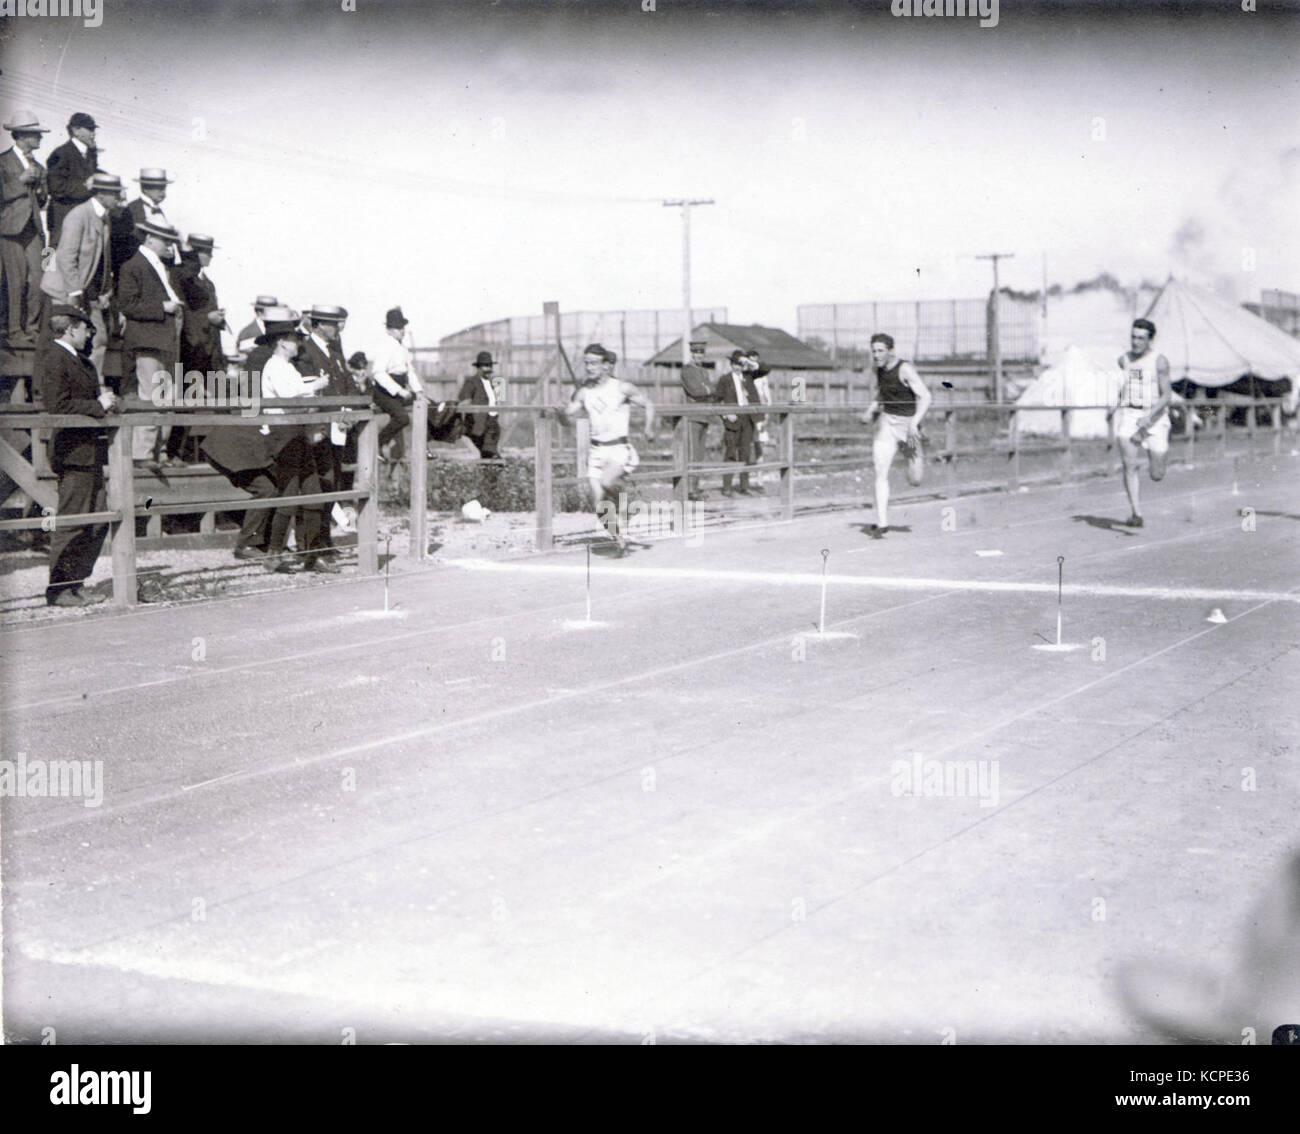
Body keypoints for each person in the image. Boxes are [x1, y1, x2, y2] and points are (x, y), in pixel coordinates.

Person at [38, 305, 117, 606]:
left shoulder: (81, 361)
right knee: (72, 521)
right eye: (86, 329)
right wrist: (98, 404)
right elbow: (58, 405)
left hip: (89, 451)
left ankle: (75, 582)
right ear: (70, 329)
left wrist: (105, 403)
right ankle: (58, 590)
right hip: (72, 453)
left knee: (97, 520)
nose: (90, 335)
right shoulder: (55, 359)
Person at [258, 308, 334, 573]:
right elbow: (289, 394)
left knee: (312, 492)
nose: (298, 343)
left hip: (296, 434)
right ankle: (274, 553)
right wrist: (315, 386)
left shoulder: (287, 366)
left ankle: (312, 553)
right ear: (282, 342)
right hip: (284, 436)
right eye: (294, 339)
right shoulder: (274, 366)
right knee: (289, 495)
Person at [564, 343, 654, 555]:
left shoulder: (622, 388)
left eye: (594, 363)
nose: (589, 367)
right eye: (586, 363)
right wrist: (560, 414)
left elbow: (648, 404)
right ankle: (618, 539)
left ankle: (625, 500)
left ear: (606, 365)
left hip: (618, 448)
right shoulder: (584, 392)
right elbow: (568, 414)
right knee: (598, 504)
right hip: (597, 451)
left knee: (608, 482)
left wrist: (648, 428)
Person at [38, 171, 123, 382]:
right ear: (100, 194)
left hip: (85, 291)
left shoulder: (105, 218)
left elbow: (103, 260)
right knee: (62, 341)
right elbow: (66, 257)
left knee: (99, 339)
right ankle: (47, 389)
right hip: (63, 290)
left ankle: (90, 386)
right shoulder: (79, 215)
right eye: (114, 193)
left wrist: (105, 290)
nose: (118, 198)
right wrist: (74, 293)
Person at [117, 219, 184, 466]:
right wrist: (162, 307)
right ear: (150, 239)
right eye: (165, 240)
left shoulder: (160, 266)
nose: (169, 246)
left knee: (165, 398)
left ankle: (159, 452)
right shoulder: (132, 266)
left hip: (163, 340)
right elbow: (127, 304)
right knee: (152, 397)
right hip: (147, 341)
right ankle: (143, 453)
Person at [863, 332, 930, 534]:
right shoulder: (879, 370)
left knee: (915, 479)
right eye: (874, 351)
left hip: (908, 427)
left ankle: (909, 456)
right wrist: (871, 409)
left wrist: (915, 423)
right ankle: (882, 522)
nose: (876, 355)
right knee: (880, 471)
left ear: (891, 351)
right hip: (887, 424)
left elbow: (926, 397)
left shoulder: (905, 369)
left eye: (880, 351)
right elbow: (882, 393)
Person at [1111, 317, 1171, 529]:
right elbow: (1128, 385)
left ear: (1150, 340)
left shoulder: (1159, 361)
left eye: (1141, 338)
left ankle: (1153, 452)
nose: (1135, 342)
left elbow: (1166, 396)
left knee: (1157, 475)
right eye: (1133, 337)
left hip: (1155, 417)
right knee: (1129, 465)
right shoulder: (1124, 360)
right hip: (1130, 416)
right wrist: (1116, 404)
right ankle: (1136, 513)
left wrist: (1150, 417)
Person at [0, 110, 51, 348]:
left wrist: (41, 192)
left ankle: (32, 328)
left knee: (38, 279)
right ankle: (14, 331)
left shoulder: (39, 166)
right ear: (21, 136)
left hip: (33, 229)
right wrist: (21, 182)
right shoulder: (3, 161)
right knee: (16, 282)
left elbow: (41, 201)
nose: (39, 138)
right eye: (35, 134)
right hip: (9, 230)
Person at [44, 112, 100, 246]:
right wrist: (87, 187)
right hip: (62, 217)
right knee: (53, 259)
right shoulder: (60, 153)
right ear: (76, 130)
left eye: (94, 129)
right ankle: (46, 267)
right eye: (90, 129)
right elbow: (55, 187)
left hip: (81, 216)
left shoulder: (90, 154)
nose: (94, 134)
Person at [111, 167, 177, 278]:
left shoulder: (159, 211)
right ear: (145, 188)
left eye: (164, 187)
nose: (162, 191)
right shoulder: (132, 209)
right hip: (139, 272)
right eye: (157, 187)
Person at [715, 349, 762, 496]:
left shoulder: (748, 377)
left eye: (740, 364)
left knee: (746, 453)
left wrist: (749, 362)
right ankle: (727, 487)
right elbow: (716, 401)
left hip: (747, 419)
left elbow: (766, 368)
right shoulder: (725, 379)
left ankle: (744, 486)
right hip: (733, 420)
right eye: (735, 364)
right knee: (730, 453)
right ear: (731, 364)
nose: (738, 367)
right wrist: (726, 414)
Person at [678, 338, 715, 500]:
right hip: (692, 415)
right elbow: (696, 391)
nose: (699, 356)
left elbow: (712, 390)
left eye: (701, 353)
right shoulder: (687, 370)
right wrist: (707, 390)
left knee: (699, 455)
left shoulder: (704, 371)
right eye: (696, 352)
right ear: (691, 354)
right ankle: (689, 489)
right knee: (692, 454)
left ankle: (696, 487)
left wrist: (707, 390)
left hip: (704, 415)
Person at [457, 350, 501, 458]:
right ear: (479, 367)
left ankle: (487, 473)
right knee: (491, 457)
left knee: (490, 457)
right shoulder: (471, 382)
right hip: (479, 426)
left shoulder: (491, 383)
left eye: (490, 366)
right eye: (485, 366)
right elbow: (463, 401)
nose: (489, 369)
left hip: (492, 424)